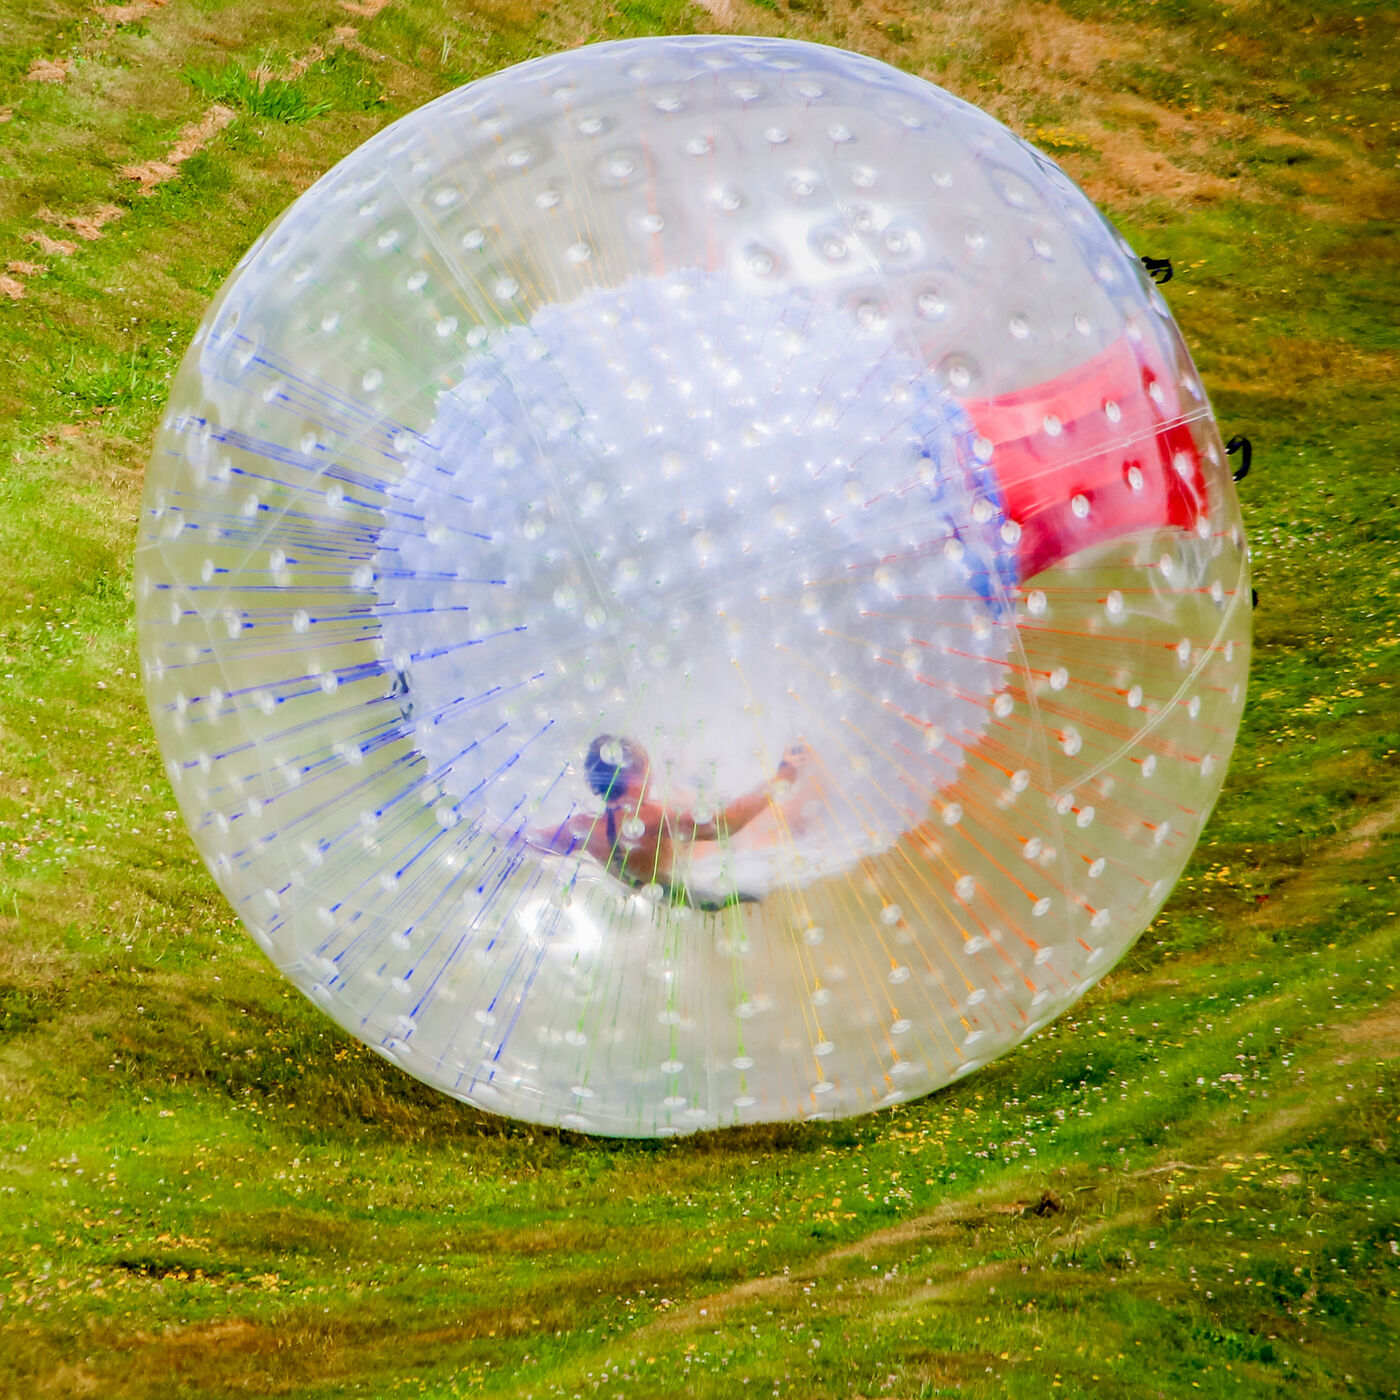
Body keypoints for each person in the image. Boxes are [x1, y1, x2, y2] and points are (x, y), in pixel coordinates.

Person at [526, 734, 810, 906]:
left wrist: (488, 827)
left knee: (689, 810)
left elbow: (530, 839)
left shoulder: (584, 827)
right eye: (647, 771)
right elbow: (726, 824)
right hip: (707, 899)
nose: (651, 779)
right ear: (634, 773)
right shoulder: (649, 816)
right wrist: (784, 776)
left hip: (662, 899)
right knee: (773, 832)